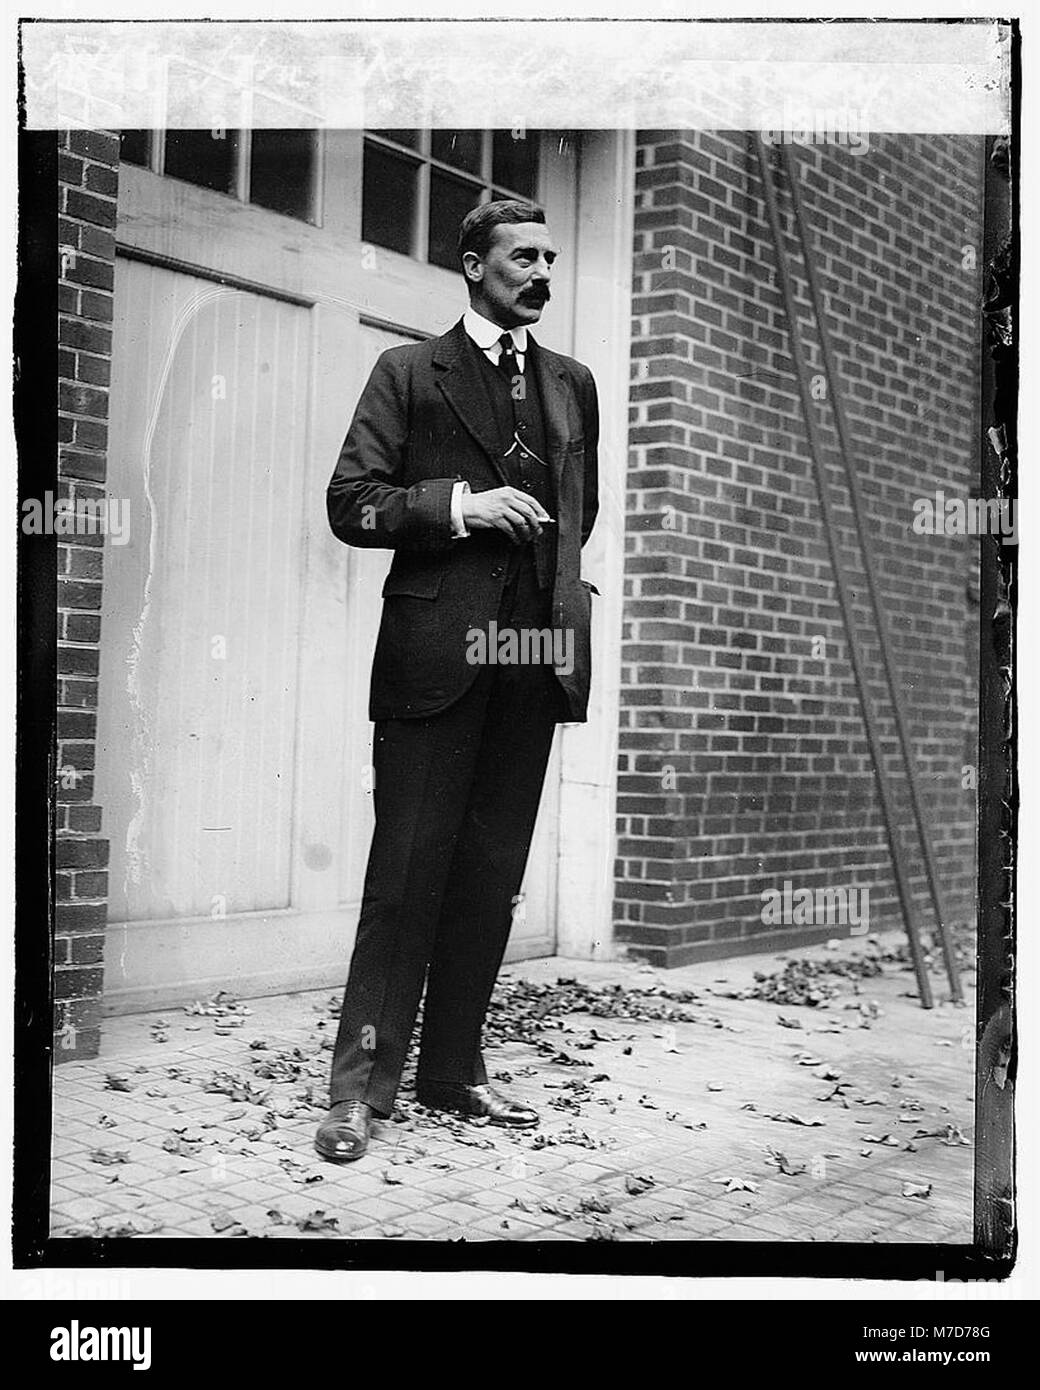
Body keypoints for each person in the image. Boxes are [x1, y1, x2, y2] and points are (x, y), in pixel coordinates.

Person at [316, 198, 599, 1162]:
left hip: (528, 665)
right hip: (435, 664)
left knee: (489, 877)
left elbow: (578, 517)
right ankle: (359, 1090)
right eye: (524, 257)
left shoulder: (572, 384)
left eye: (550, 258)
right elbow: (351, 503)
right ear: (474, 265)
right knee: (404, 878)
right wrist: (461, 508)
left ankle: (451, 1071)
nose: (542, 272)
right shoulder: (408, 371)